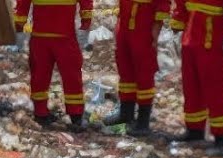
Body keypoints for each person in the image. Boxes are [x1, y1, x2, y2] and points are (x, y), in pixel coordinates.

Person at [170, 0, 223, 151]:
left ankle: (221, 137)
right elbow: (181, 4)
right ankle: (194, 130)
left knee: (215, 88)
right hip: (190, 37)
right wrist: (177, 28)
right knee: (191, 86)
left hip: (213, 38)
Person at [15, 0, 95, 128]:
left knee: (39, 76)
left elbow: (22, 5)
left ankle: (40, 113)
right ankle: (76, 116)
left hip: (40, 37)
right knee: (72, 77)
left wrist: (19, 28)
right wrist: (85, 26)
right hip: (65, 37)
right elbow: (86, 3)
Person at [106, 0, 172, 134]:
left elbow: (163, 4)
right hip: (125, 25)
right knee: (125, 71)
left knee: (144, 75)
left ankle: (143, 122)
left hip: (144, 27)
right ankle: (126, 113)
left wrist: (156, 30)